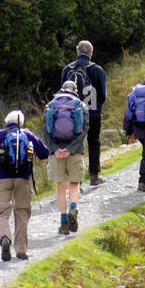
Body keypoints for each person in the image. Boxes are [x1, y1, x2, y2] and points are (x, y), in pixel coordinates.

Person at [0, 109, 49, 262]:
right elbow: (44, 153)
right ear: (21, 123)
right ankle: (21, 250)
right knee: (22, 212)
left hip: (2, 179)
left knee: (3, 212)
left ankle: (5, 238)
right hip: (23, 179)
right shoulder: (27, 135)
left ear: (7, 121)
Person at [43, 80, 87, 236]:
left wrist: (55, 150)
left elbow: (46, 131)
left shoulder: (50, 105)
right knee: (74, 183)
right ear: (75, 91)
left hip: (56, 153)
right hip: (74, 151)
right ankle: (73, 208)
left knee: (60, 187)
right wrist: (70, 149)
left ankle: (64, 223)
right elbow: (84, 130)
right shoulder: (80, 105)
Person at [61, 40, 107, 186]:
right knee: (94, 142)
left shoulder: (67, 70)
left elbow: (62, 91)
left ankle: (76, 180)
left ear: (77, 52)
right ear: (90, 53)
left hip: (72, 113)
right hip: (93, 112)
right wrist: (96, 106)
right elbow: (103, 94)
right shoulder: (97, 69)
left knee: (75, 144)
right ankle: (94, 175)